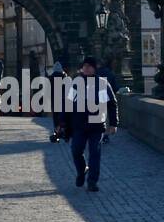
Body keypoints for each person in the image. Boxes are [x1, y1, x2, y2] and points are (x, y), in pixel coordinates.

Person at [58, 56, 118, 191]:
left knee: (94, 153)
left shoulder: (102, 84)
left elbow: (111, 105)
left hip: (96, 125)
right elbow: (67, 104)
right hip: (79, 125)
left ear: (94, 68)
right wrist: (62, 122)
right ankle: (81, 171)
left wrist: (113, 123)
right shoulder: (76, 84)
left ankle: (92, 182)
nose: (86, 68)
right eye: (84, 66)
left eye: (89, 66)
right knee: (76, 151)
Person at [48, 61, 68, 142]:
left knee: (56, 118)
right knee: (64, 117)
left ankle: (57, 134)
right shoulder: (65, 76)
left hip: (54, 99)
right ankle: (65, 133)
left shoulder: (51, 77)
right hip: (63, 100)